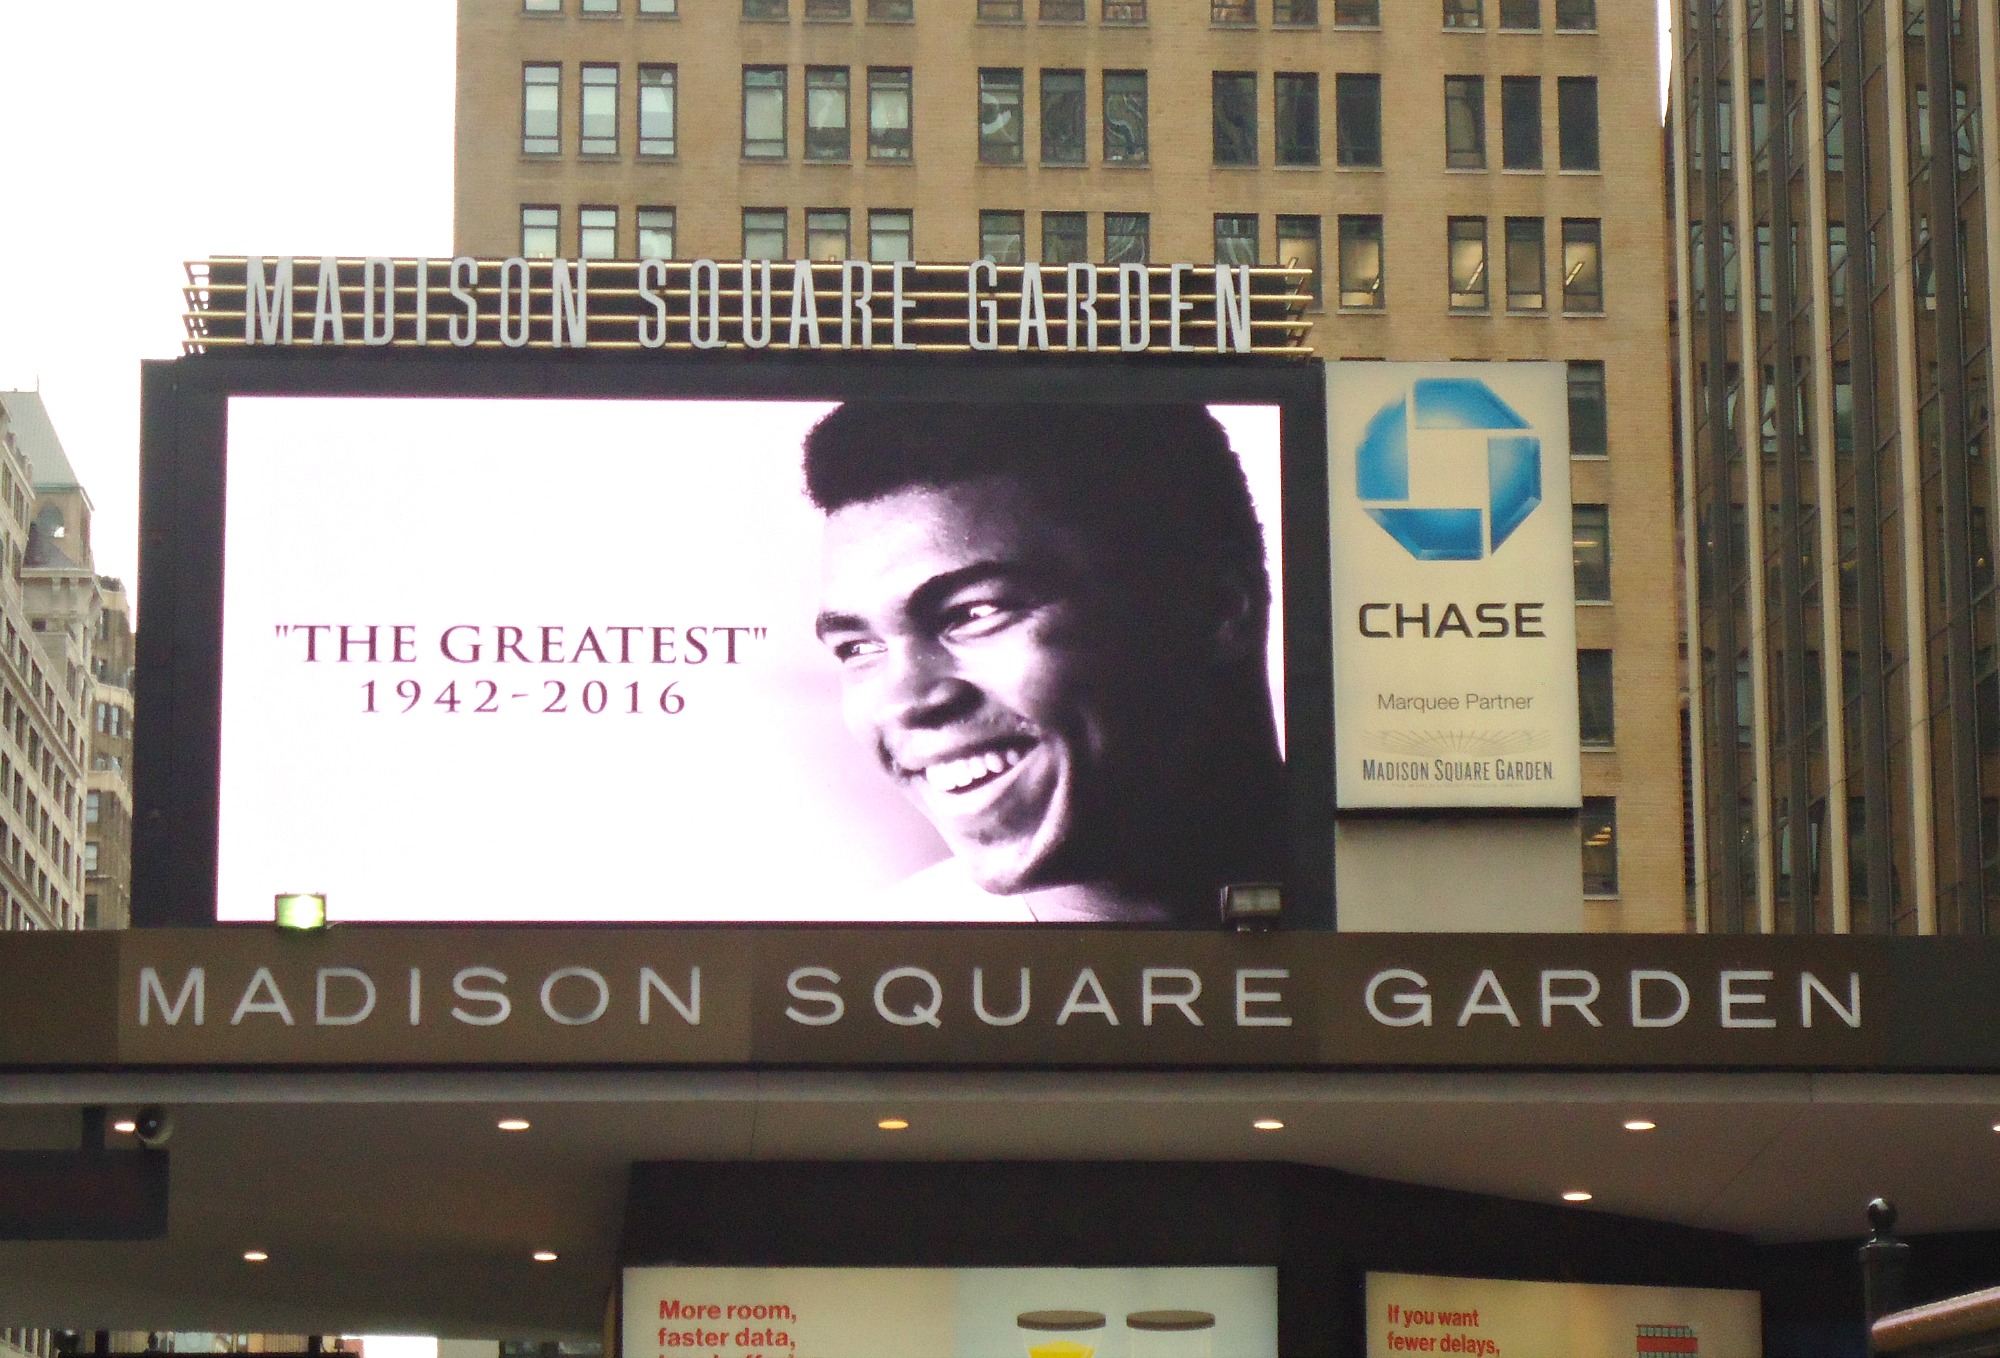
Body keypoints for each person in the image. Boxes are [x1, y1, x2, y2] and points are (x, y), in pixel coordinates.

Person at [806, 400, 1286, 925]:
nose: (905, 702)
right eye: (857, 648)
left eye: (974, 612)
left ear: (1215, 606)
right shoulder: (877, 964)